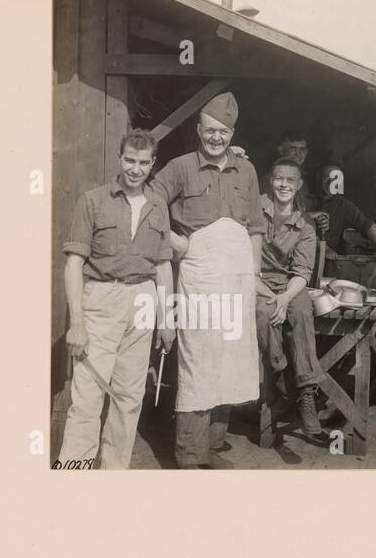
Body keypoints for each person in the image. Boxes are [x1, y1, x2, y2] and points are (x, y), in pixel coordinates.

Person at [147, 92, 264, 468]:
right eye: (211, 130)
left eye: (224, 131)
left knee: (230, 361)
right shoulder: (180, 167)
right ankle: (189, 456)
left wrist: (254, 277)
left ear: (232, 133)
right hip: (199, 276)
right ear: (198, 130)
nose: (217, 138)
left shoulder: (246, 170)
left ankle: (213, 447)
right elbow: (148, 201)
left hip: (238, 277)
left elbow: (256, 228)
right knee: (198, 363)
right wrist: (173, 239)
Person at [58, 129, 175, 468]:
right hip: (101, 300)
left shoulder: (158, 207)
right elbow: (73, 264)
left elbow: (164, 266)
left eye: (142, 163)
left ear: (152, 165)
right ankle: (72, 476)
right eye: (129, 160)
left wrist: (166, 319)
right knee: (88, 396)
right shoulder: (92, 201)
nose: (135, 169)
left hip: (143, 301)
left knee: (128, 397)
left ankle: (113, 478)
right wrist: (77, 324)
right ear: (119, 158)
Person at [256, 158, 323, 435]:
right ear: (271, 180)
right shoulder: (254, 209)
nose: (284, 185)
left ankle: (306, 392)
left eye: (290, 180)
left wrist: (284, 298)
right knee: (262, 313)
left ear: (299, 185)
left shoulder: (305, 223)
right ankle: (283, 377)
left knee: (302, 311)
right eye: (278, 178)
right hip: (257, 281)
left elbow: (302, 271)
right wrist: (272, 297)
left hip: (290, 285)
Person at [302, 162, 376, 259]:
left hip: (326, 261)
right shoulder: (304, 198)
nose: (331, 182)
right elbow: (293, 221)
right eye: (327, 177)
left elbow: (368, 225)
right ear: (318, 177)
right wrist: (323, 248)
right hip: (301, 255)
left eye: (336, 178)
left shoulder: (344, 205)